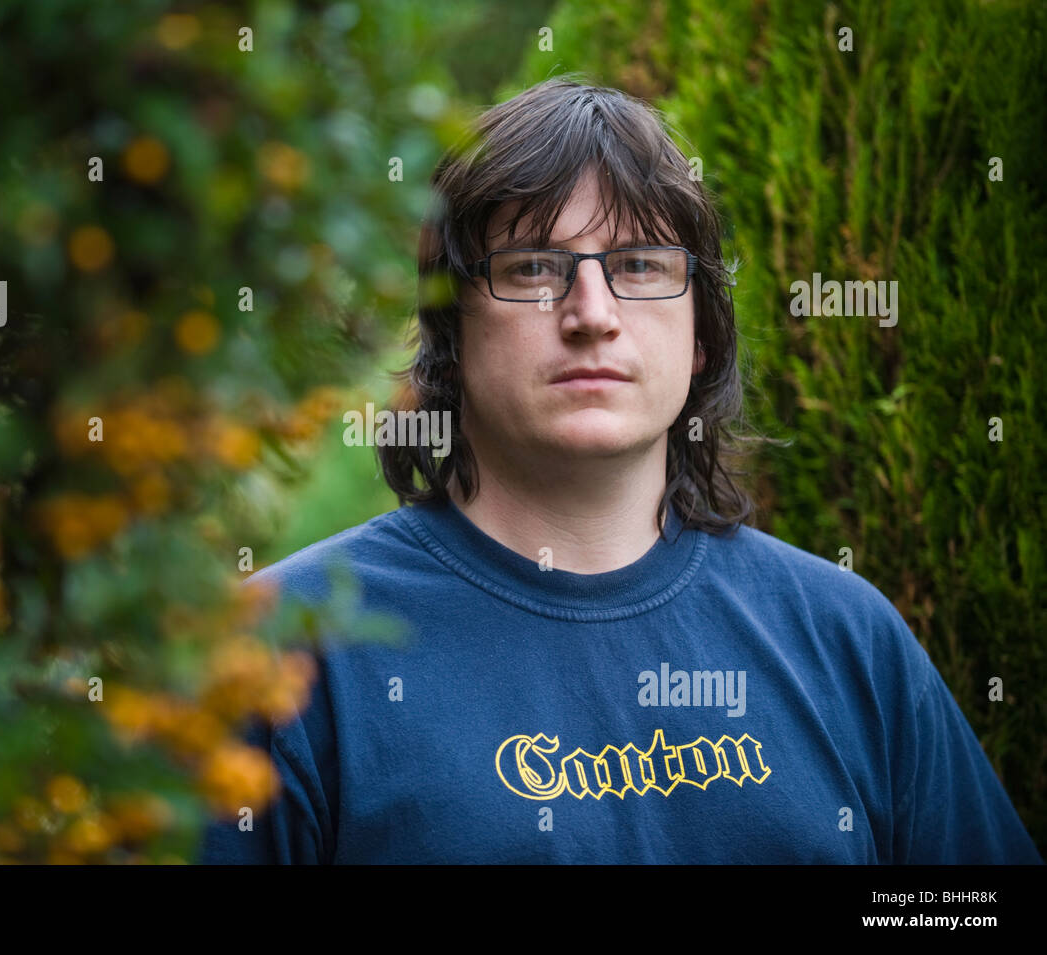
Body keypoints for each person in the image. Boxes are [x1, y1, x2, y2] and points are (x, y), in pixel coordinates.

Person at [199, 77, 1042, 864]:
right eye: (533, 267)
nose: (593, 315)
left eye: (640, 265)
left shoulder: (849, 639)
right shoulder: (283, 651)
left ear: (701, 333)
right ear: (448, 337)